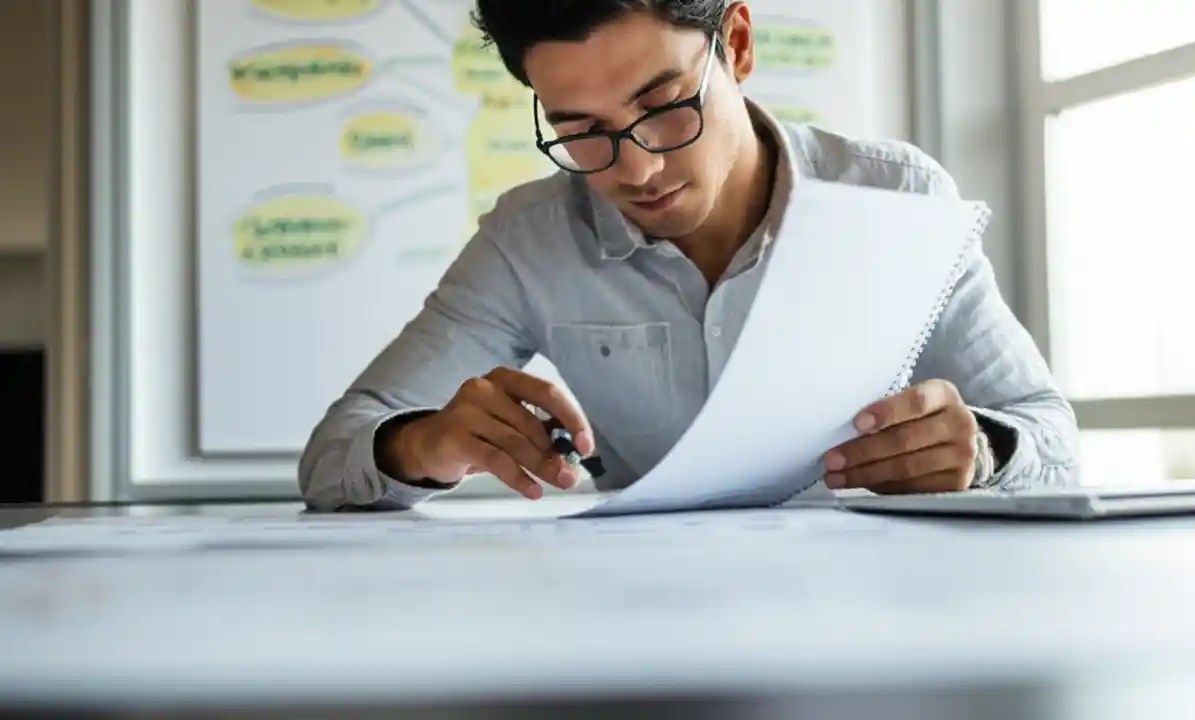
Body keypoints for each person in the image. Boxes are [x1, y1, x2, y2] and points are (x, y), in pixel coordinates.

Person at [298, 0, 1079, 511]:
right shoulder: (526, 241)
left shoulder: (898, 197)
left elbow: (1050, 437)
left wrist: (980, 449)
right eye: (579, 130)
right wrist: (425, 443)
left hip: (878, 613)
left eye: (665, 107)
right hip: (644, 627)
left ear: (736, 46)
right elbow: (333, 454)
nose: (634, 168)